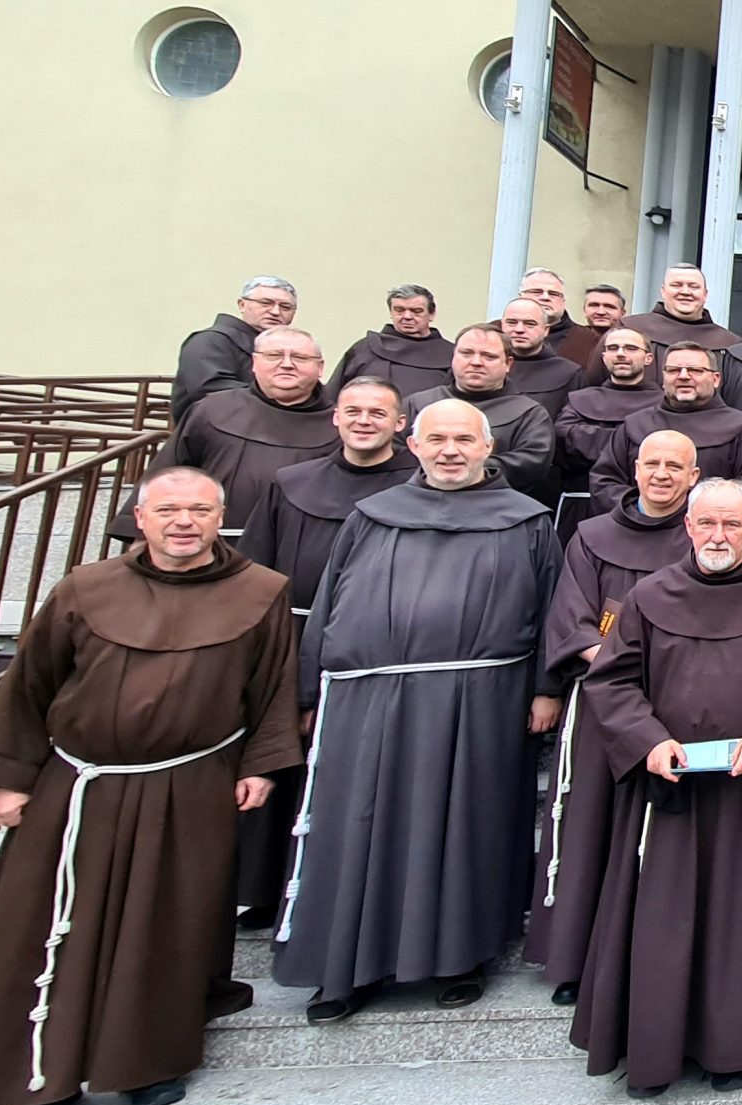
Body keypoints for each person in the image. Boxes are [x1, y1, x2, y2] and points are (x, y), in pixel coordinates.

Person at [0, 468, 300, 1105]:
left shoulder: (261, 592)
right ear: (141, 517)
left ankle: (147, 1060)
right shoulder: (85, 588)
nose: (184, 522)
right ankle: (36, 1076)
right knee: (43, 923)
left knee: (171, 920)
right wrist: (10, 777)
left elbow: (272, 686)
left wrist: (262, 766)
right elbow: (29, 685)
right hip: (79, 782)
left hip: (191, 779)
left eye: (199, 511)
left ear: (220, 519)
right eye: (169, 510)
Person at [272, 400, 562, 1021]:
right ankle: (345, 966)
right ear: (414, 445)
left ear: (489, 449)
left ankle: (459, 956)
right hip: (367, 701)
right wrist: (306, 691)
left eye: (464, 439)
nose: (451, 450)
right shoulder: (372, 516)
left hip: (479, 699)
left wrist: (546, 689)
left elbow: (550, 611)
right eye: (438, 439)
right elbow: (328, 605)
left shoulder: (527, 521)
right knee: (358, 827)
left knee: (465, 826)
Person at [569, 479, 742, 1096]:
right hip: (670, 786)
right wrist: (649, 741)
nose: (718, 536)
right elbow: (611, 683)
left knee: (740, 912)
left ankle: (730, 1046)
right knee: (661, 917)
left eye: (731, 525)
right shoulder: (650, 595)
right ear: (687, 527)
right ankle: (654, 1048)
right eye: (706, 524)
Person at [524, 430, 698, 1007]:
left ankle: (650, 950)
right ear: (634, 469)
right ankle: (575, 955)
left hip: (678, 702)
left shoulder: (704, 535)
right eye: (653, 464)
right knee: (589, 824)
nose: (664, 475)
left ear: (693, 477)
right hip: (604, 702)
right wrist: (622, 661)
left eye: (676, 466)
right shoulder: (592, 536)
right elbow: (573, 615)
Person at [236, 377, 419, 924]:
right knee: (284, 758)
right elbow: (255, 570)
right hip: (292, 636)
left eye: (378, 413)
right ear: (335, 418)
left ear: (400, 424)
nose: (365, 421)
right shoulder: (291, 483)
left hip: (380, 648)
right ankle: (268, 887)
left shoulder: (418, 485)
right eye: (354, 411)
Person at [150, 326, 337, 535]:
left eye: (300, 358)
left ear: (320, 368)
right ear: (254, 363)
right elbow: (166, 474)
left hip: (300, 545)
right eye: (274, 355)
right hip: (213, 543)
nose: (286, 364)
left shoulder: (341, 423)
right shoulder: (212, 409)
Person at [587, 345, 742, 514]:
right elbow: (604, 481)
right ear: (663, 379)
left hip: (709, 533)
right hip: (639, 528)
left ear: (716, 379)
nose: (683, 376)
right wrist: (646, 508)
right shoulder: (635, 425)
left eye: (695, 370)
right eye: (673, 370)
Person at [402, 324, 558, 507]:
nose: (476, 362)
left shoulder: (530, 414)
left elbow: (531, 462)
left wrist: (467, 468)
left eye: (488, 356)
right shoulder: (417, 404)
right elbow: (396, 455)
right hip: (418, 503)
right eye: (466, 353)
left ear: (508, 364)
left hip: (496, 509)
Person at [551, 327, 661, 534]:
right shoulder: (580, 399)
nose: (620, 353)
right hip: (581, 502)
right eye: (613, 348)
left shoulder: (664, 404)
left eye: (630, 348)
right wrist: (631, 443)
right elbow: (563, 437)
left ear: (648, 358)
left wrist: (590, 436)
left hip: (645, 506)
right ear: (604, 357)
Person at [173, 276, 297, 423]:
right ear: (242, 304)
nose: (276, 312)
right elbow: (210, 388)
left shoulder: (292, 347)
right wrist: (281, 395)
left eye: (286, 307)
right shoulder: (210, 340)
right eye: (265, 303)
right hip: (215, 431)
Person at [334, 284, 452, 396]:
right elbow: (334, 395)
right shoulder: (365, 349)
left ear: (431, 314)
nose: (407, 316)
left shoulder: (452, 354)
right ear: (391, 312)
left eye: (416, 311)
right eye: (399, 310)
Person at [497, 297, 586, 421]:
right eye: (512, 322)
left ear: (546, 330)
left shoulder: (570, 373)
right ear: (502, 326)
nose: (519, 330)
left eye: (530, 324)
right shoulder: (487, 366)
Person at [620, 263, 737, 350]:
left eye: (693, 286)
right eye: (676, 285)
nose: (685, 292)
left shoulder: (729, 344)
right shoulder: (629, 329)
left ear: (705, 295)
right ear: (663, 291)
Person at [518, 268, 607, 370]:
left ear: (563, 300)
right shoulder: (500, 332)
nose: (545, 297)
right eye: (537, 292)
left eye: (553, 294)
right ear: (520, 296)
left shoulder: (588, 340)